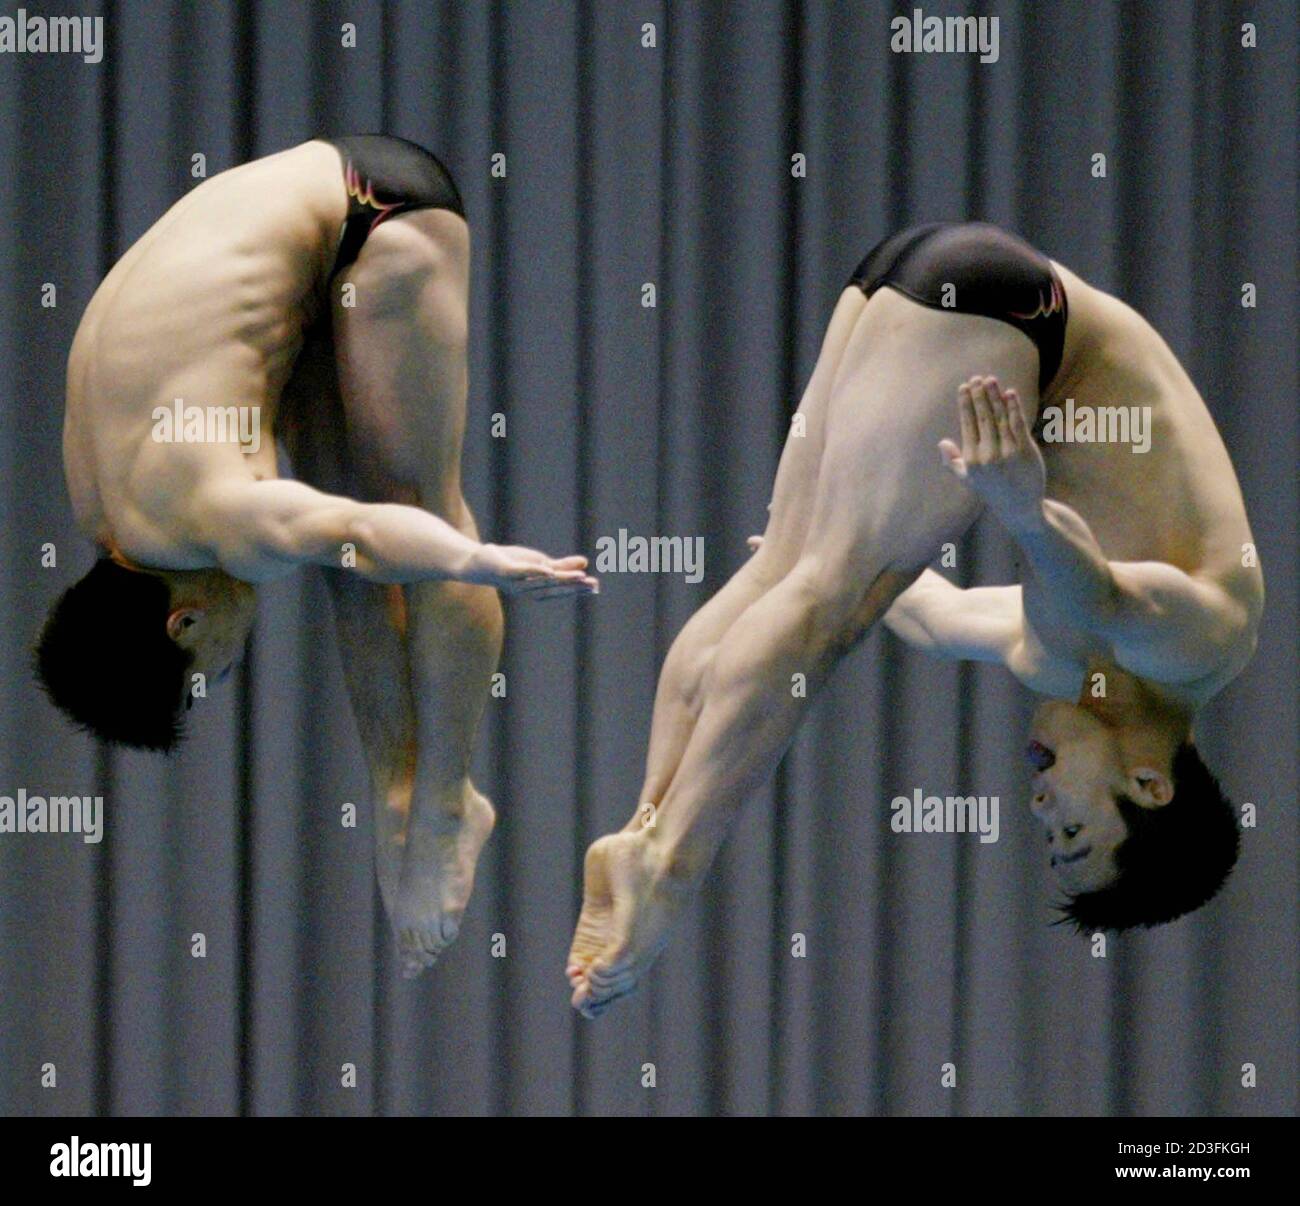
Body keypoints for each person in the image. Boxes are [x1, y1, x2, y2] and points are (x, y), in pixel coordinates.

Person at [567, 222, 1262, 1018]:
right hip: (1020, 323)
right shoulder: (1206, 647)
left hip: (937, 293)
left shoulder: (1062, 667)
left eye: (1047, 841)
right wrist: (1023, 514)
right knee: (827, 600)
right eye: (1073, 835)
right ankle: (668, 867)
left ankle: (646, 821)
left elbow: (938, 615)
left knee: (787, 578)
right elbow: (1107, 592)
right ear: (1150, 785)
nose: (1038, 812)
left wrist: (847, 560)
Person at [36, 135, 596, 977]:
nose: (233, 662)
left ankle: (448, 801)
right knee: (347, 567)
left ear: (182, 620)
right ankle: (395, 794)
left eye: (213, 669)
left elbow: (369, 533)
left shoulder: (208, 516)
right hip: (293, 250)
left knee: (416, 513)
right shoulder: (101, 509)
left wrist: (478, 561)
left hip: (377, 212)